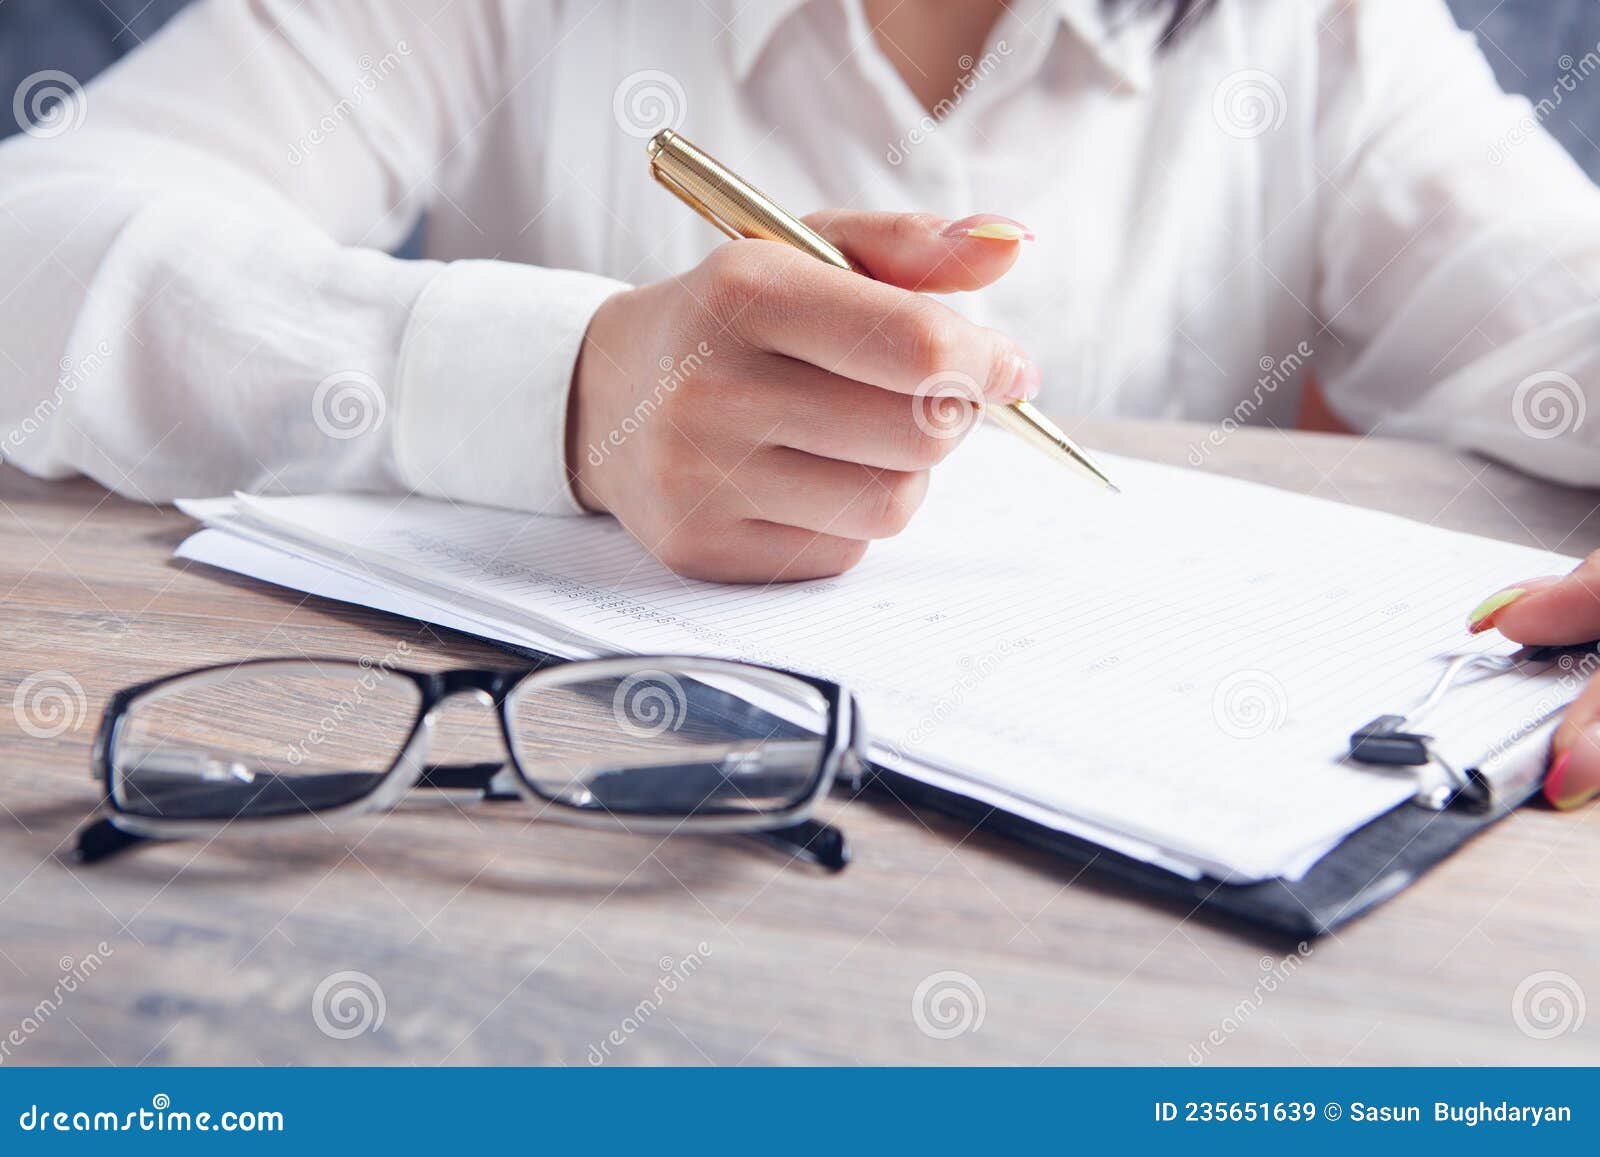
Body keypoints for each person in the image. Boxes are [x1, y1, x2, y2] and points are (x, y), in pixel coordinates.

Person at [2, 0, 1599, 808]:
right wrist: (570, 390)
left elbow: (1563, 310)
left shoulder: (1318, 35)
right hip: (561, 810)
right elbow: (33, 249)